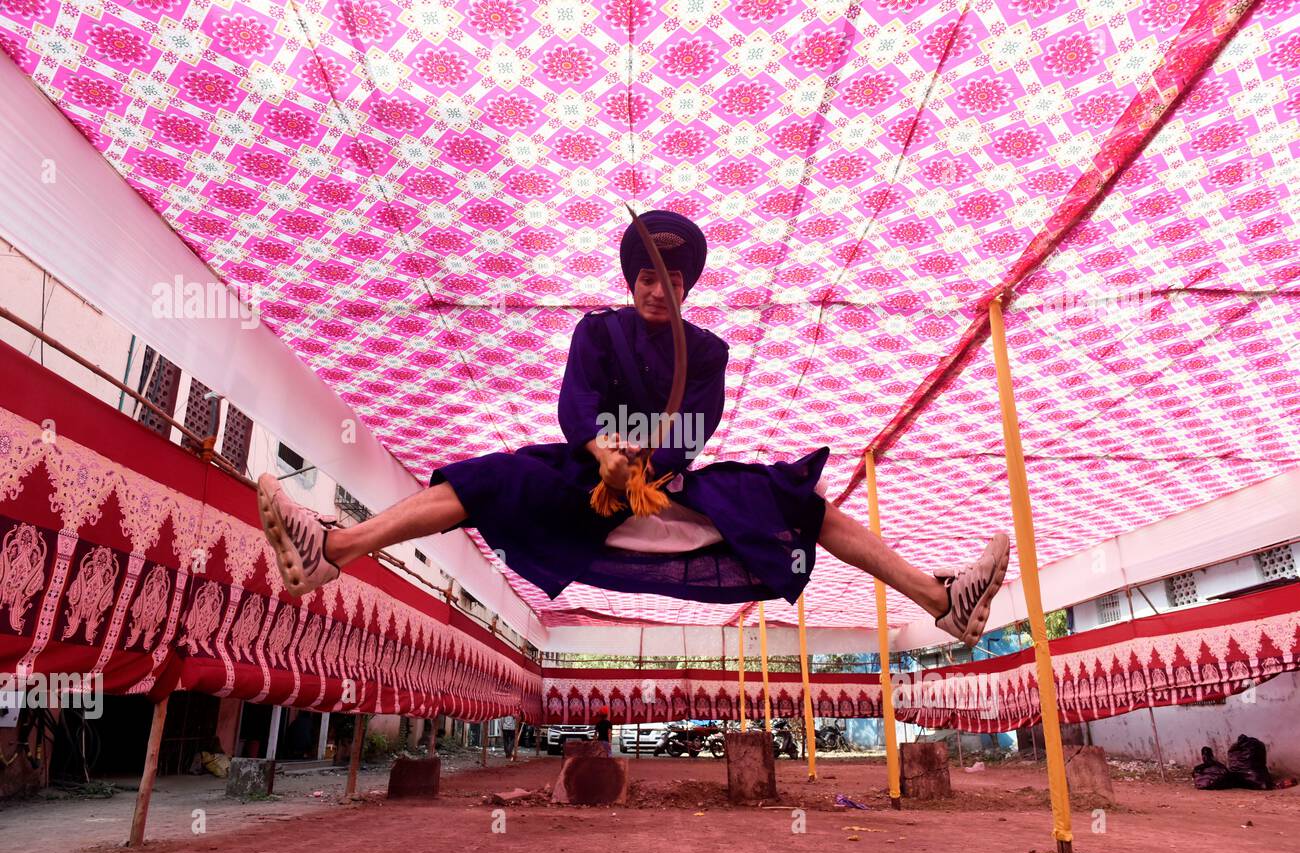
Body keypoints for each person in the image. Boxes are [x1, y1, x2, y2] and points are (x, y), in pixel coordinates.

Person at [256, 210, 1008, 647]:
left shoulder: (708, 352)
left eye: (673, 281)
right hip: (586, 477)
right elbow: (574, 403)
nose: (659, 289)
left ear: (687, 288)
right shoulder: (597, 332)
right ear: (631, 281)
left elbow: (696, 425)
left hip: (670, 488)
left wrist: (643, 466)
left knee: (796, 501)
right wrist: (602, 454)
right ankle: (332, 548)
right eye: (648, 277)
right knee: (488, 477)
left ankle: (942, 601)